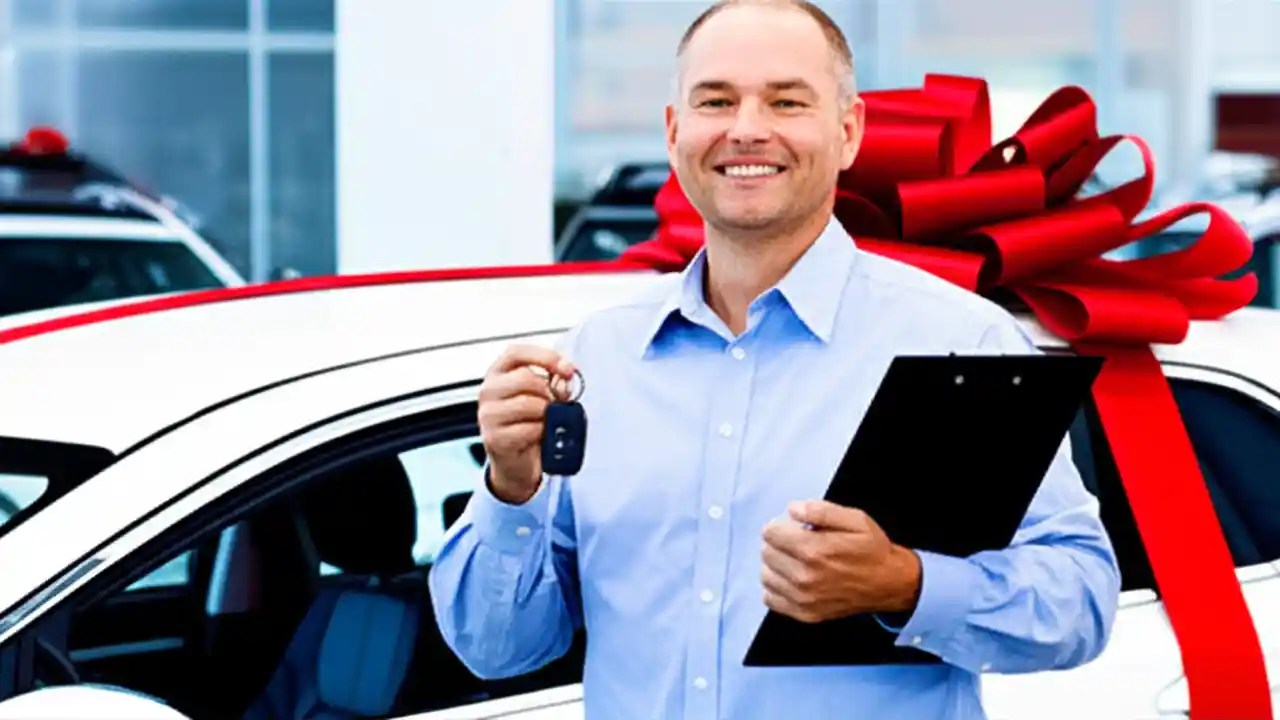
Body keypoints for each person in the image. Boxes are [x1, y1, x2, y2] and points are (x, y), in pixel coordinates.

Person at [428, 1, 1121, 717]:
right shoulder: (603, 355)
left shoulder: (956, 340)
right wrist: (512, 488)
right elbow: (496, 648)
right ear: (675, 133)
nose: (747, 128)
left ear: (848, 131)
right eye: (716, 100)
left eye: (787, 100)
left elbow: (1082, 598)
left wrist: (905, 585)